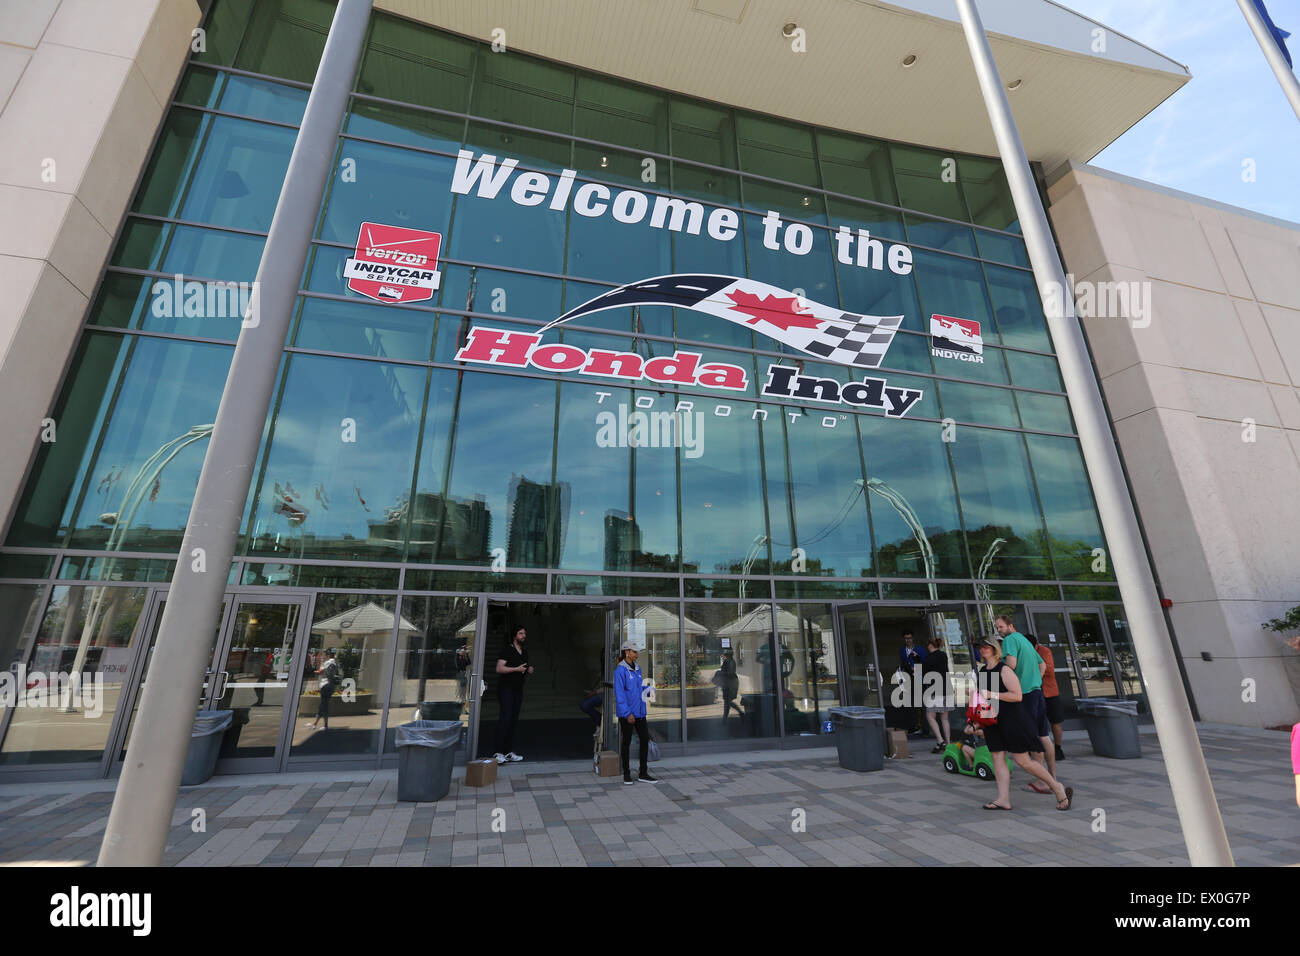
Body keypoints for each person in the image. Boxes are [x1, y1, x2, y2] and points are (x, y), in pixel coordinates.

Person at [975, 635, 1071, 812]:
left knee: (1023, 760)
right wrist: (977, 721)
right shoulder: (983, 671)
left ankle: (1056, 785)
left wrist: (992, 694)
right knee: (997, 757)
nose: (982, 649)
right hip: (993, 720)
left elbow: (1017, 696)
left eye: (986, 646)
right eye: (980, 646)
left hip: (1012, 719)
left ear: (995, 648)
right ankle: (1003, 799)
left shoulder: (1004, 670)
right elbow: (985, 698)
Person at [994, 615, 1058, 787]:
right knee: (1043, 734)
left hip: (1023, 693)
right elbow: (1042, 664)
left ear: (1010, 625)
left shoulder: (1010, 640)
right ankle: (1052, 776)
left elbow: (1011, 665)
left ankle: (1043, 781)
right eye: (997, 628)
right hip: (1037, 691)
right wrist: (1035, 679)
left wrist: (1002, 674)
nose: (999, 631)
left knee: (1032, 736)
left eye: (1000, 627)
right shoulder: (1024, 640)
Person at [615, 641, 657, 785]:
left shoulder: (637, 669)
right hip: (627, 714)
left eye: (637, 652)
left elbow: (637, 689)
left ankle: (643, 773)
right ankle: (626, 774)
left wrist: (648, 689)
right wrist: (627, 714)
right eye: (634, 652)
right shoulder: (620, 671)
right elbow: (619, 694)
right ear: (627, 652)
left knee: (644, 740)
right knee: (626, 743)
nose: (637, 654)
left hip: (639, 713)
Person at [493, 626, 533, 765]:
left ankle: (508, 752)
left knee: (513, 720)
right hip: (506, 689)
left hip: (517, 689)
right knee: (505, 718)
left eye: (525, 633)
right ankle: (498, 752)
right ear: (514, 635)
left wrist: (528, 669)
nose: (523, 636)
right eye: (520, 633)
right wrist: (516, 669)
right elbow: (499, 668)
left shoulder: (524, 652)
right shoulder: (507, 650)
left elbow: (524, 667)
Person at [1028, 633, 1066, 761]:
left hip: (1049, 692)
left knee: (1055, 721)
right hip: (1033, 692)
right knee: (1034, 723)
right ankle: (1035, 748)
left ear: (1035, 645)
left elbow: (1048, 669)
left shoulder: (1045, 651)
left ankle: (1058, 748)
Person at [922, 637, 952, 753]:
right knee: (945, 718)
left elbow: (923, 671)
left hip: (935, 690)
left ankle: (940, 741)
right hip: (947, 688)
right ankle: (948, 743)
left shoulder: (929, 657)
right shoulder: (943, 655)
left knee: (930, 716)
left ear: (930, 645)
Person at [898, 630, 927, 734]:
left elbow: (925, 662)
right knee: (910, 704)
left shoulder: (919, 649)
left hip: (919, 677)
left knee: (921, 704)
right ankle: (913, 726)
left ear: (913, 638)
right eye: (906, 638)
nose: (908, 640)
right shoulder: (902, 650)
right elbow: (903, 662)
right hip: (908, 679)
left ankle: (924, 727)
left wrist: (916, 665)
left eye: (909, 638)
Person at [307, 648, 339, 730]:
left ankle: (322, 725)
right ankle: (317, 723)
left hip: (325, 685)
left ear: (328, 654)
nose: (325, 655)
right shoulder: (335, 662)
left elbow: (320, 672)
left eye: (326, 654)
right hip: (331, 686)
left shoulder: (328, 662)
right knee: (324, 705)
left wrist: (311, 671)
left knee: (323, 705)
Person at [714, 648, 744, 724]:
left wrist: (720, 673)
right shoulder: (729, 661)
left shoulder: (729, 661)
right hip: (729, 683)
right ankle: (726, 719)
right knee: (727, 702)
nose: (723, 655)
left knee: (727, 702)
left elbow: (730, 673)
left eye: (724, 654)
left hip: (730, 684)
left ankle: (738, 714)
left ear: (727, 655)